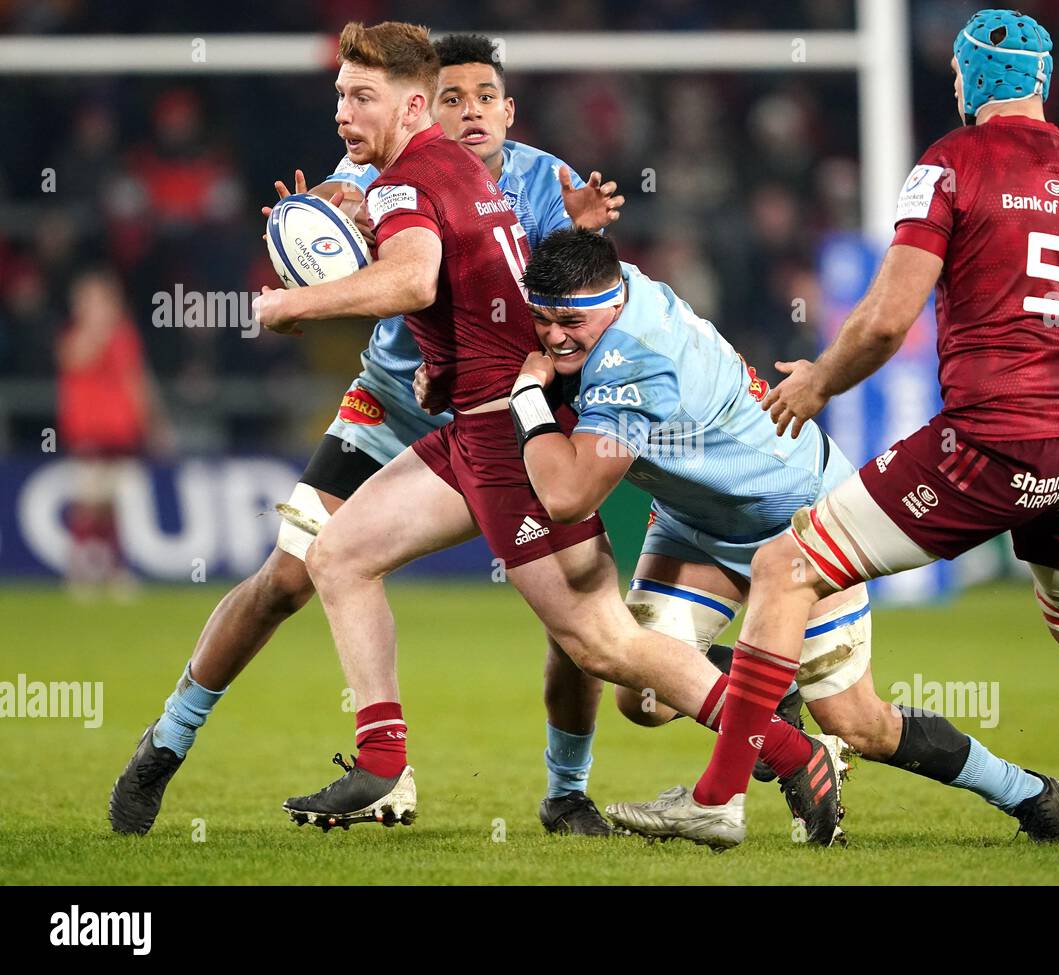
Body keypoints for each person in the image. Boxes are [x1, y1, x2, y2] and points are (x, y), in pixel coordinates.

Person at [615, 8, 1059, 853]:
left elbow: (888, 320)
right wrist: (1055, 380)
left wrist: (818, 378)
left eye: (960, 74)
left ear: (973, 79)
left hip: (991, 436)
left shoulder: (951, 165)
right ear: (1039, 82)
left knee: (785, 566)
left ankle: (716, 798)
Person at [251, 21, 844, 844]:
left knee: (604, 645)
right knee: (338, 554)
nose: (344, 114)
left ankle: (785, 749)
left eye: (362, 97)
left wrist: (294, 301)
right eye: (340, 96)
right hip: (475, 422)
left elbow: (416, 274)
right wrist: (445, 347)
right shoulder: (449, 164)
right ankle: (383, 763)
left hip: (505, 442)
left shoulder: (404, 184)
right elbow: (476, 280)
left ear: (410, 104)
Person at [108, 30, 622, 837]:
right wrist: (314, 234)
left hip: (496, 410)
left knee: (575, 626)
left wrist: (582, 236)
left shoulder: (545, 179)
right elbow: (362, 261)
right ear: (425, 105)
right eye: (452, 98)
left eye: (483, 97)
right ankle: (167, 741)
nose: (468, 113)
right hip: (391, 404)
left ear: (507, 109)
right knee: (288, 576)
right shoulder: (372, 168)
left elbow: (564, 303)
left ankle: (566, 788)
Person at [518, 228, 1059, 849]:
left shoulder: (639, 360)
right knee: (643, 695)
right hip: (696, 523)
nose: (552, 335)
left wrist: (526, 399)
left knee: (859, 725)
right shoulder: (612, 284)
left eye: (569, 320)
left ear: (614, 300)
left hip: (797, 516)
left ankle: (1026, 791)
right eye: (540, 318)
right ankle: (772, 696)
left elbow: (569, 497)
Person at [57, 270, 172, 598]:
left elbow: (137, 382)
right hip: (89, 433)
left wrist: (154, 423)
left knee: (116, 505)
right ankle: (79, 571)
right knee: (88, 503)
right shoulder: (75, 336)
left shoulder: (124, 336)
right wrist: (98, 328)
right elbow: (77, 359)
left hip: (122, 433)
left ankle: (114, 571)